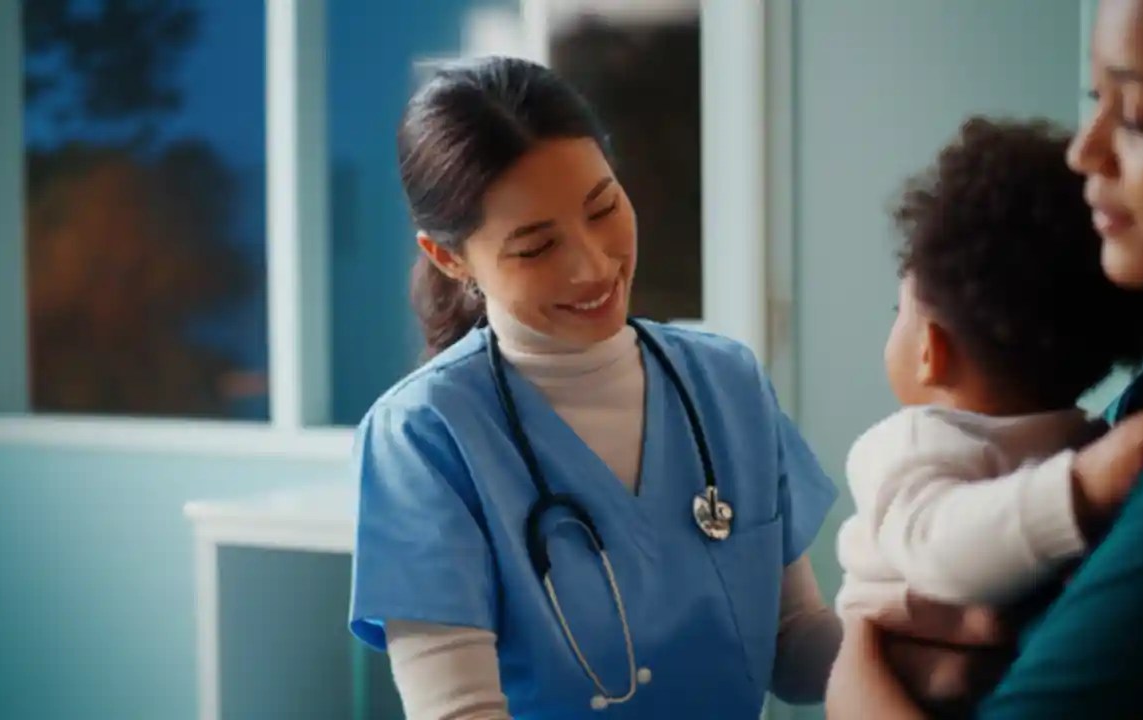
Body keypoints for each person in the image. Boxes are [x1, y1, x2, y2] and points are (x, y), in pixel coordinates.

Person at [346, 56, 841, 719]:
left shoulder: (728, 385)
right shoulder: (424, 436)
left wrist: (913, 647)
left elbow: (792, 638)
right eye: (535, 247)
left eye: (603, 207)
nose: (593, 265)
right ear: (449, 257)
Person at [827, 0, 1143, 717]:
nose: (1084, 151)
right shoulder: (909, 447)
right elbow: (936, 546)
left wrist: (853, 677)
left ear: (931, 350)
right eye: (1095, 99)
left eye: (1138, 115)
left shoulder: (1112, 445)